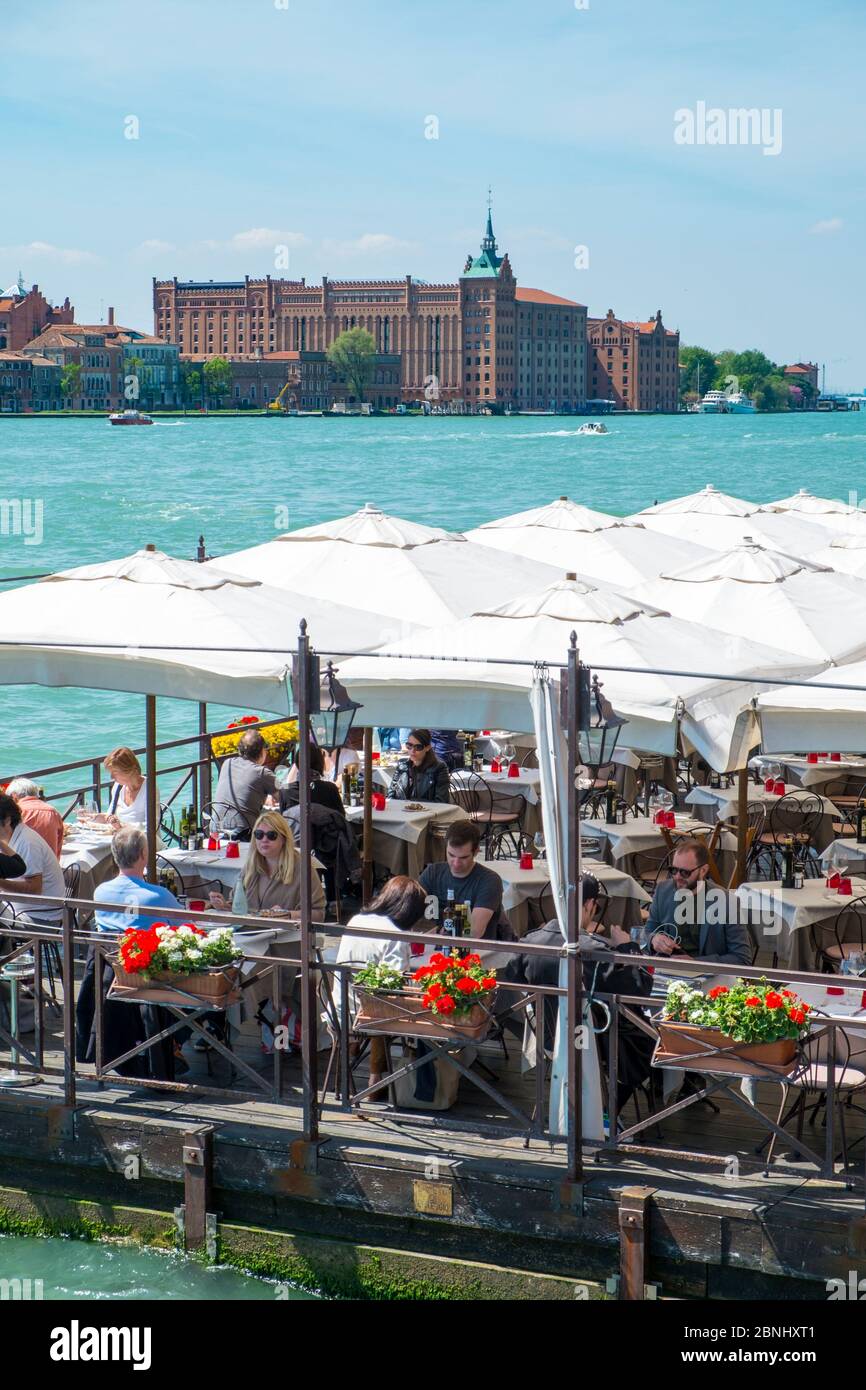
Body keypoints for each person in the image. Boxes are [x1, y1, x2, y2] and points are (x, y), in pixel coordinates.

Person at [502, 874, 654, 1108]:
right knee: (651, 1041)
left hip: (550, 1036)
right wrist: (627, 946)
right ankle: (608, 1113)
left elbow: (513, 978)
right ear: (589, 905)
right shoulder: (595, 951)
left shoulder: (530, 943)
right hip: (595, 1042)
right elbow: (641, 987)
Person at [77, 826, 180, 1080]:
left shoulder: (100, 892)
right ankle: (179, 1044)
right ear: (144, 855)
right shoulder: (159, 896)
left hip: (111, 977)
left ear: (114, 856)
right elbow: (186, 929)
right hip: (153, 981)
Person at [337, 876, 431, 1090]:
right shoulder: (395, 935)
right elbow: (395, 986)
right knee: (415, 1009)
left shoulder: (357, 920)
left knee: (377, 1000)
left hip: (340, 1003)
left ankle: (351, 1056)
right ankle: (380, 1078)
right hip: (368, 1012)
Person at [643, 839, 752, 965]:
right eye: (673, 870)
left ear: (703, 870)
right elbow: (647, 932)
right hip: (668, 970)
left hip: (709, 976)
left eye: (685, 872)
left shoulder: (727, 901)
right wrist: (653, 939)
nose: (677, 877)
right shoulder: (663, 890)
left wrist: (696, 963)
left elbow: (742, 959)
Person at [209, 810, 326, 919]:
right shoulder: (251, 867)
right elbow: (238, 907)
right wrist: (224, 905)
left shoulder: (302, 869)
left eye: (271, 835)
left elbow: (318, 914)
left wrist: (288, 915)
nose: (264, 839)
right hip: (250, 932)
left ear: (283, 839)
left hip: (285, 936)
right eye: (259, 834)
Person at [418, 819, 513, 950]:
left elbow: (473, 931)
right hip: (434, 950)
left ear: (475, 852)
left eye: (463, 858)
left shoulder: (489, 881)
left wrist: (432, 935)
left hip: (476, 954)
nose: (456, 863)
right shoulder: (432, 873)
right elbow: (409, 908)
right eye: (451, 855)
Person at [0, 791, 66, 930]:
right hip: (20, 908)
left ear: (7, 820)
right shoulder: (9, 839)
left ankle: (8, 951)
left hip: (40, 918)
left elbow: (35, 888)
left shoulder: (27, 842)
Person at [212, 728, 276, 839]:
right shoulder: (261, 773)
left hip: (215, 830)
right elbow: (285, 797)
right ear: (262, 751)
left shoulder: (228, 763)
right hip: (242, 834)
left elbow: (243, 789)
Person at [279, 743, 344, 816]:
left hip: (296, 827)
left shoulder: (285, 792)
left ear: (297, 762)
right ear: (321, 763)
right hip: (326, 827)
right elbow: (342, 819)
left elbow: (283, 824)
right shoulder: (330, 789)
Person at [388, 728, 450, 804]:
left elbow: (441, 802)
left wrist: (411, 804)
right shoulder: (402, 766)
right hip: (400, 813)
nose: (412, 751)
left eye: (418, 747)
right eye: (409, 746)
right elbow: (390, 797)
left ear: (427, 748)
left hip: (428, 814)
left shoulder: (439, 768)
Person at [6, 778, 64, 858]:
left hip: (22, 866)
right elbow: (59, 843)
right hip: (49, 865)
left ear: (14, 796)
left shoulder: (16, 812)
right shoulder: (52, 811)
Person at [103, 747, 149, 827]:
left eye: (115, 772)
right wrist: (93, 817)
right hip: (121, 837)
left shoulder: (149, 789)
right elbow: (109, 815)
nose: (111, 777)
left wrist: (122, 826)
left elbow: (151, 826)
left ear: (129, 770)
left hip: (141, 839)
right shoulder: (118, 787)